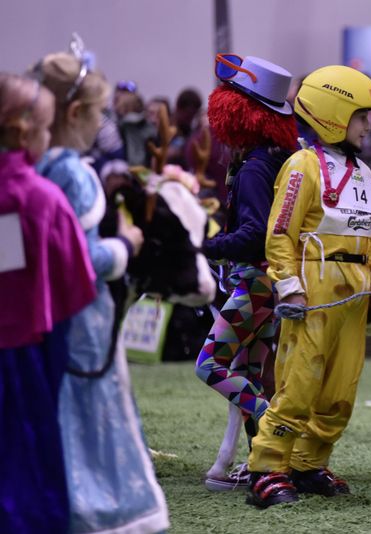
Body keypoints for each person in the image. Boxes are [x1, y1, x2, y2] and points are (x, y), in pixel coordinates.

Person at [246, 65, 371, 508]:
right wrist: (289, 286)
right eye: (362, 116)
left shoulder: (362, 174)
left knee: (339, 391)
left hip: (352, 293)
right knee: (298, 384)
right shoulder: (301, 166)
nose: (370, 126)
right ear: (334, 112)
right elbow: (279, 234)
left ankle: (308, 463)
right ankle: (267, 467)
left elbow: (368, 245)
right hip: (312, 288)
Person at [32, 50, 170, 533]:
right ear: (76, 114)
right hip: (80, 320)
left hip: (34, 317)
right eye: (99, 113)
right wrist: (125, 245)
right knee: (91, 418)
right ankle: (103, 512)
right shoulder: (74, 173)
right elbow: (81, 260)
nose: (103, 123)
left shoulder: (26, 167)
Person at [195, 54, 299, 490]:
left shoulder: (255, 167)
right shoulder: (274, 160)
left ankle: (272, 426)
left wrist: (207, 246)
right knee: (252, 374)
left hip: (255, 281)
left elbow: (255, 234)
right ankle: (260, 464)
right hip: (271, 284)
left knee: (210, 365)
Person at [0, 72, 96, 534]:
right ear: (23, 130)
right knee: (30, 453)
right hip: (29, 350)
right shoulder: (41, 198)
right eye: (42, 127)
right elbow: (77, 282)